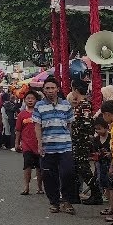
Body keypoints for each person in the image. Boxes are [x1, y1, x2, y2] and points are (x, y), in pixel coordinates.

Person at [33, 78, 77, 214]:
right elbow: (37, 126)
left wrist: (69, 140)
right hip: (48, 147)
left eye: (53, 88)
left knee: (68, 173)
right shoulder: (39, 106)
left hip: (65, 146)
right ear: (43, 90)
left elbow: (70, 124)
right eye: (47, 88)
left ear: (57, 89)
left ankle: (67, 200)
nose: (50, 91)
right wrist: (40, 144)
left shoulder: (66, 105)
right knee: (49, 176)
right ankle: (54, 202)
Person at [16, 91, 42, 197]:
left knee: (40, 168)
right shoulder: (21, 114)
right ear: (25, 100)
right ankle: (26, 187)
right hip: (26, 144)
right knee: (27, 166)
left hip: (39, 144)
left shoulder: (40, 113)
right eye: (28, 98)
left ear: (36, 100)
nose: (30, 100)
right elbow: (18, 130)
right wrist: (16, 143)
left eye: (32, 98)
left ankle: (40, 187)